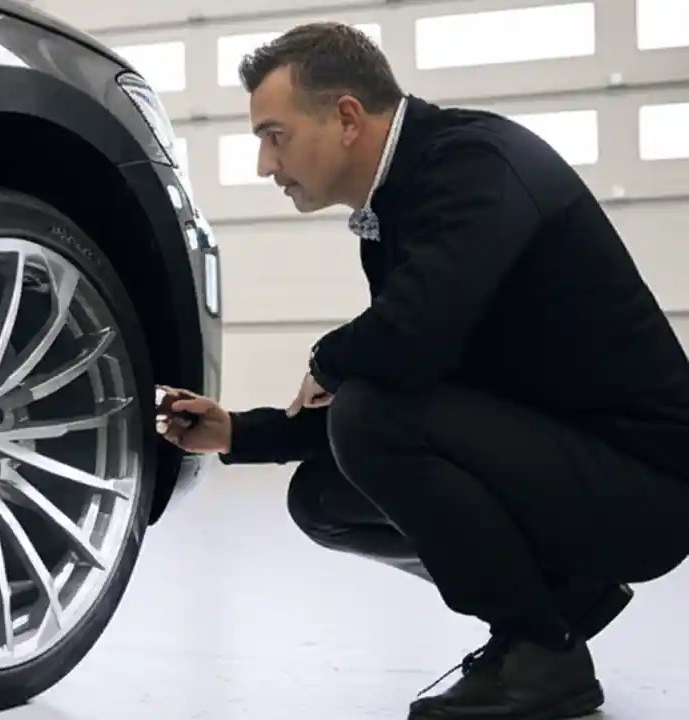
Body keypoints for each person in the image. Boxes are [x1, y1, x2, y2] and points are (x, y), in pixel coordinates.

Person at [156, 21, 689, 720]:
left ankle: (541, 655)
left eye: (274, 135)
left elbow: (405, 347)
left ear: (347, 117)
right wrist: (241, 433)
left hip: (648, 486)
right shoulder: (404, 200)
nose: (264, 164)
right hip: (569, 459)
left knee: (368, 415)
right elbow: (412, 380)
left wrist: (328, 359)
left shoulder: (475, 166)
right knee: (323, 498)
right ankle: (561, 605)